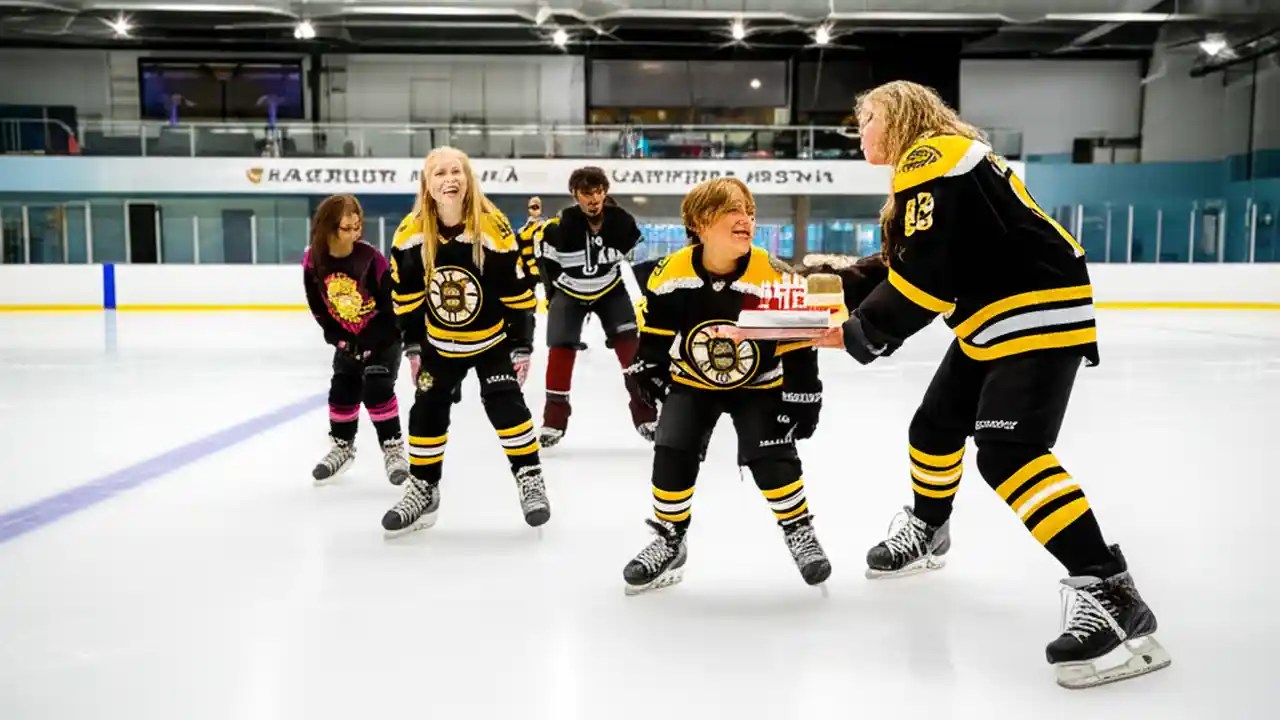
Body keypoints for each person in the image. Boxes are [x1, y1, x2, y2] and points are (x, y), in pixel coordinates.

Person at [813, 80, 1169, 689]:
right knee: (935, 426)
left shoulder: (931, 157)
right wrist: (827, 280)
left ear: (897, 119)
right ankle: (929, 528)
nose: (860, 132)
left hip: (1030, 310)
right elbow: (916, 262)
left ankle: (1110, 594)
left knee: (1009, 451)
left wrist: (860, 333)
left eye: (866, 119)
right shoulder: (944, 163)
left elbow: (928, 277)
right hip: (997, 318)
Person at [621, 177, 830, 595]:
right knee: (672, 449)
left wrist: (804, 395)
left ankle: (798, 529)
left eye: (750, 212)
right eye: (734, 210)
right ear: (700, 221)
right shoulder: (670, 274)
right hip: (693, 382)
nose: (746, 219)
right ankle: (669, 537)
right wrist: (648, 368)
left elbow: (798, 346)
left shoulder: (774, 276)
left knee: (771, 456)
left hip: (760, 385)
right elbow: (657, 336)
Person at [383, 146, 549, 537]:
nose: (449, 179)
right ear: (427, 184)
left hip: (491, 342)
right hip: (439, 347)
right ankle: (423, 487)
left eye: (456, 171)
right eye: (439, 173)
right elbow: (405, 300)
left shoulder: (493, 229)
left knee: (507, 406)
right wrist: (413, 348)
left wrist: (521, 346)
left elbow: (519, 295)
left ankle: (530, 478)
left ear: (468, 178)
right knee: (425, 407)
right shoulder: (410, 234)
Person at [538, 167, 655, 447]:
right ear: (575, 195)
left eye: (599, 191)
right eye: (587, 193)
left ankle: (647, 414)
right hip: (569, 292)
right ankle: (553, 421)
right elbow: (547, 266)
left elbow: (635, 251)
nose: (594, 198)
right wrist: (555, 294)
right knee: (560, 351)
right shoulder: (559, 227)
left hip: (610, 290)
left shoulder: (622, 221)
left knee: (632, 351)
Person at [303, 194, 410, 486]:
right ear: (328, 228)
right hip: (348, 340)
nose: (354, 234)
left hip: (383, 338)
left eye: (357, 227)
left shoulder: (370, 258)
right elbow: (318, 307)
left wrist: (375, 342)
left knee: (376, 389)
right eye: (346, 228)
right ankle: (342, 448)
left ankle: (393, 449)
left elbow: (391, 307)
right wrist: (339, 340)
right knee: (341, 390)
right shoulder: (314, 260)